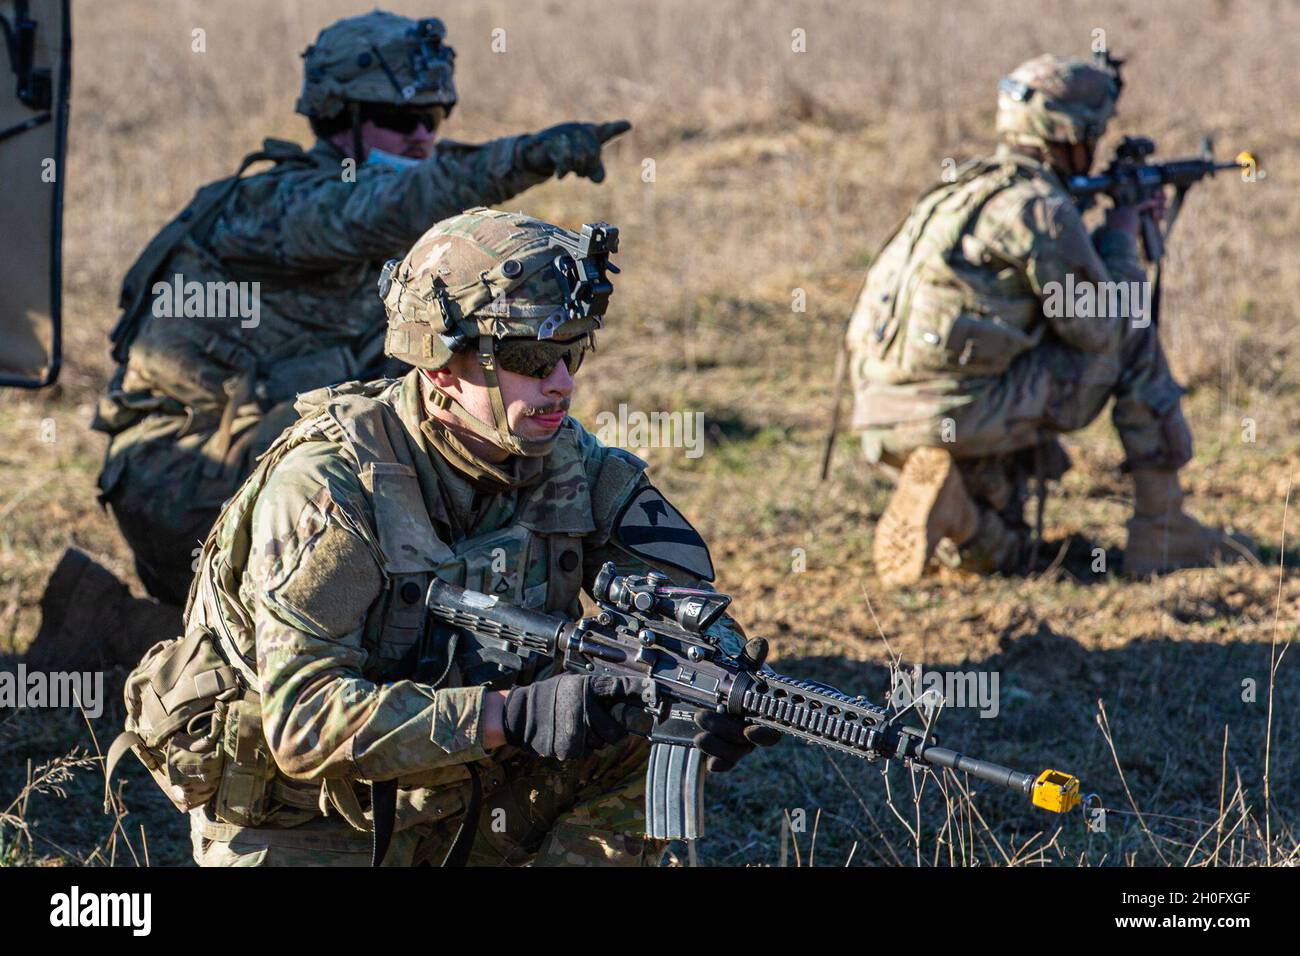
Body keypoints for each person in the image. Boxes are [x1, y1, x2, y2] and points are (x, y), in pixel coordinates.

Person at [148, 207, 778, 866]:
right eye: (531, 355)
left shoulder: (567, 460)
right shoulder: (330, 488)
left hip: (468, 791)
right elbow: (303, 723)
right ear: (442, 365)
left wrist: (719, 669)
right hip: (319, 822)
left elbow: (679, 594)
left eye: (573, 349)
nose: (561, 381)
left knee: (657, 714)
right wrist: (515, 714)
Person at [29, 11, 629, 668]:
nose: (423, 136)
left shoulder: (367, 197)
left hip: (255, 451)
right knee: (395, 475)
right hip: (184, 480)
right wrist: (531, 154)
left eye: (435, 118)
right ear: (339, 116)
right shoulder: (283, 205)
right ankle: (157, 643)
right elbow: (398, 204)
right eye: (402, 121)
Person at [845, 53, 1254, 587]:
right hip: (966, 408)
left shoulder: (957, 191)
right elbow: (1100, 325)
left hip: (885, 413)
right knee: (1130, 323)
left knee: (1012, 549)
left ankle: (957, 512)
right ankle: (1163, 524)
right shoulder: (1040, 208)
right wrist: (1121, 235)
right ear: (1070, 134)